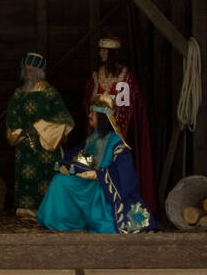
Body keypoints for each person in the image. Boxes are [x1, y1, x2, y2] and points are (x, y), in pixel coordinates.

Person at [37, 99, 157, 234]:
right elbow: (81, 157)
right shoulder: (93, 138)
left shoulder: (117, 144)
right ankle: (58, 221)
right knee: (59, 181)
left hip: (103, 187)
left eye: (93, 113)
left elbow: (126, 175)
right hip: (86, 182)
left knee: (102, 222)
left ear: (102, 118)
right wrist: (68, 165)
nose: (89, 116)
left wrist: (97, 175)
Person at [83, 35, 157, 216]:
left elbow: (128, 106)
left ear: (112, 53)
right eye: (100, 50)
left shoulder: (126, 77)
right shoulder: (95, 77)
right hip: (97, 134)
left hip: (120, 133)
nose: (100, 53)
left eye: (104, 50)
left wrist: (115, 129)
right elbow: (88, 102)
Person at [5, 52, 74, 219]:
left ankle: (48, 212)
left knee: (46, 180)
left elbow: (63, 118)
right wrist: (20, 132)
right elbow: (12, 118)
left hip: (46, 146)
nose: (28, 73)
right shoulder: (18, 94)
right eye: (26, 69)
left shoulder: (50, 93)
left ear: (39, 71)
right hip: (23, 144)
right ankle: (26, 212)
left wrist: (40, 128)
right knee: (25, 179)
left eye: (32, 69)